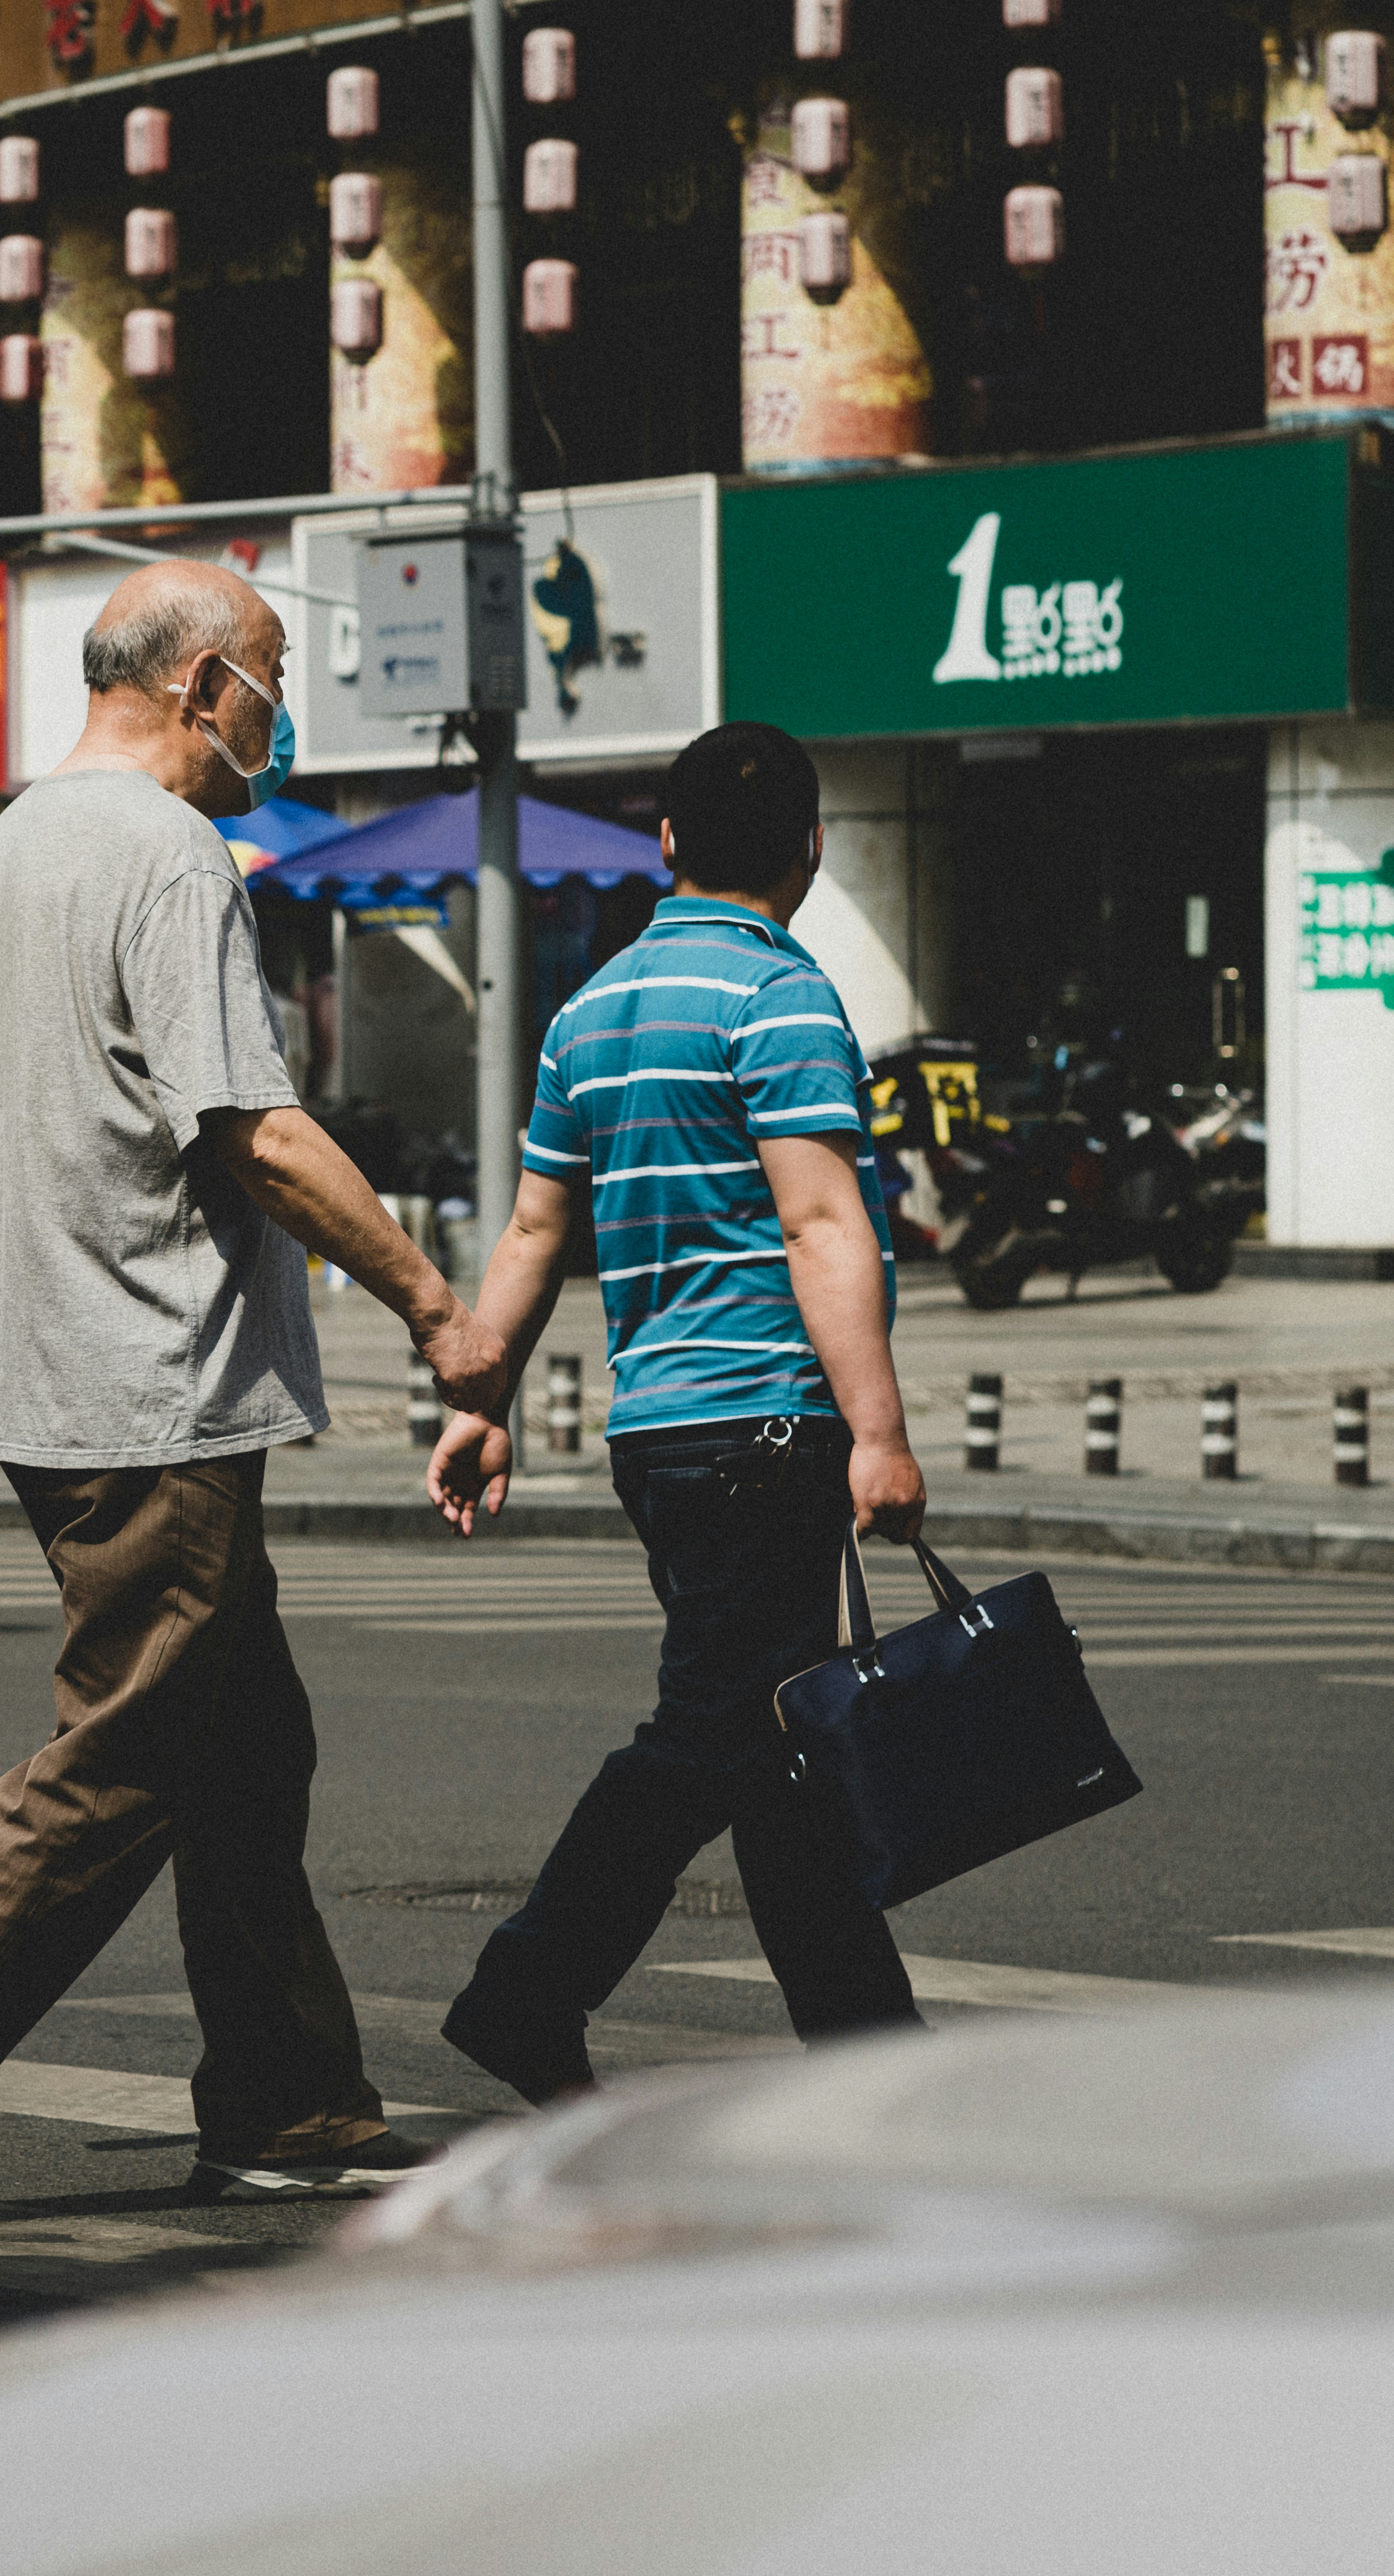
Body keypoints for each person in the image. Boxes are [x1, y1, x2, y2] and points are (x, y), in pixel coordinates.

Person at [0, 561, 514, 2219]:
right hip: (156, 1390)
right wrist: (433, 1307)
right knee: (123, 1755)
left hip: (54, 1384)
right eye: (266, 673)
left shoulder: (8, 849)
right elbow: (251, 1128)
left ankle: (286, 2099)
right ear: (198, 688)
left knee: (245, 1744)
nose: (278, 706)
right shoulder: (171, 856)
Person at [421, 720, 927, 2104]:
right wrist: (878, 1433)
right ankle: (527, 1988)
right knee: (715, 1729)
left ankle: (872, 2053)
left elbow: (532, 1229)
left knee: (778, 1753)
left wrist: (482, 1394)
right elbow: (824, 1226)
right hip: (769, 1422)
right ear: (810, 850)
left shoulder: (592, 1011)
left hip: (658, 1434)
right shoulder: (783, 997)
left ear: (666, 846)